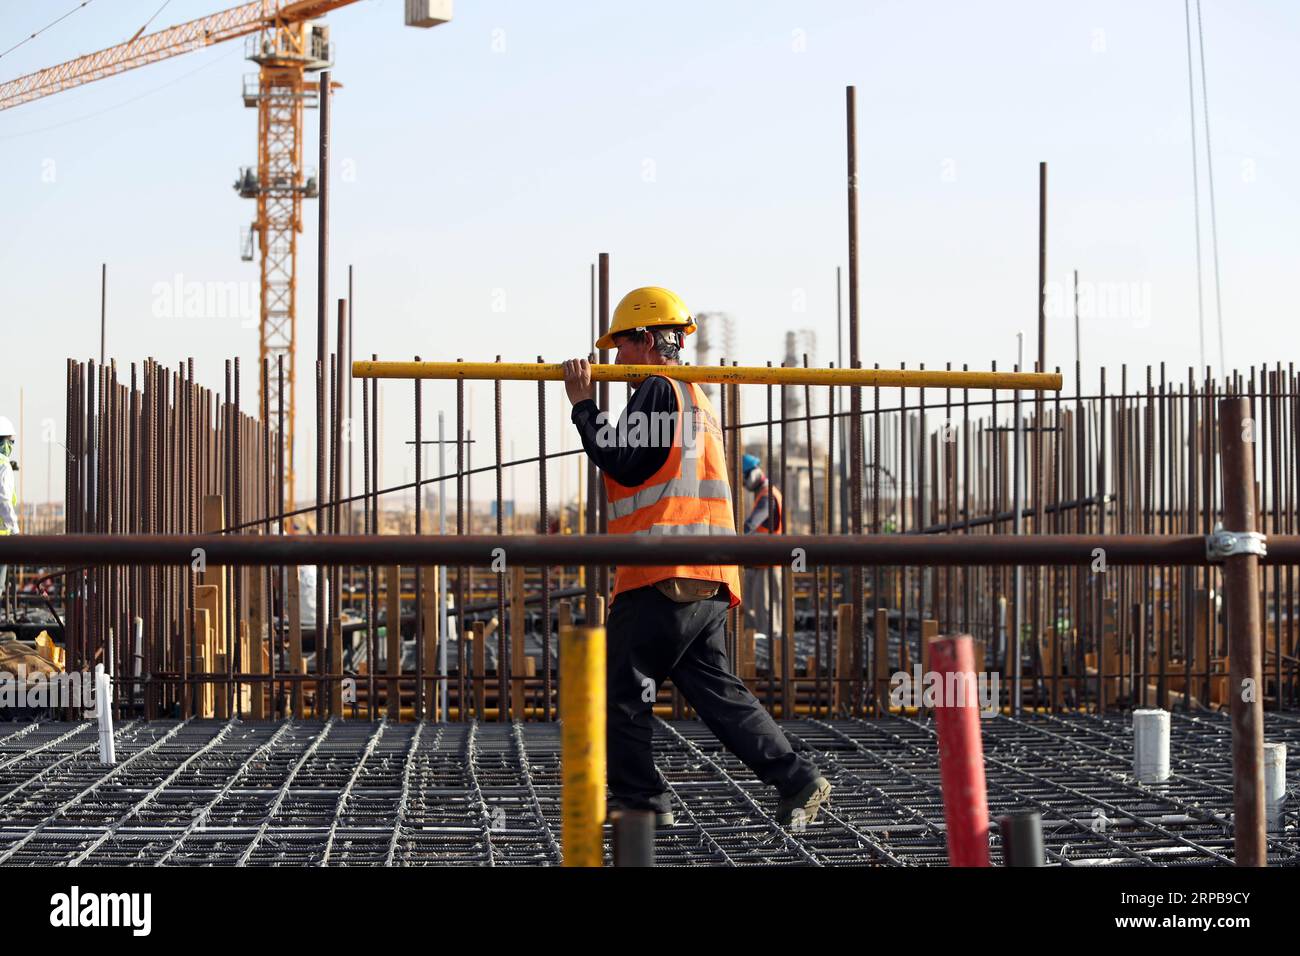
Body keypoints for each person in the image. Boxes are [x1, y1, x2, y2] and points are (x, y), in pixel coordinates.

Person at [562, 286, 830, 828]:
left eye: (620, 346)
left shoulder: (659, 390)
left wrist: (583, 407)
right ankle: (797, 780)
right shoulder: (696, 399)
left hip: (664, 573)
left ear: (644, 340)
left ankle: (642, 803)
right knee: (719, 696)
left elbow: (623, 461)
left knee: (620, 693)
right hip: (705, 579)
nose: (615, 360)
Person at [740, 453, 783, 647]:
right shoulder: (761, 495)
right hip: (757, 561)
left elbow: (752, 524)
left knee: (765, 608)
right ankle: (753, 645)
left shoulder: (768, 496)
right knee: (750, 606)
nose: (745, 483)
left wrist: (733, 537)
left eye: (745, 477)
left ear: (754, 473)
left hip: (769, 560)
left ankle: (770, 647)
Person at [0, 417, 19, 610]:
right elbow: (4, 499)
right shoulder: (3, 465)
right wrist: (15, 529)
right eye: (10, 441)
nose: (11, 446)